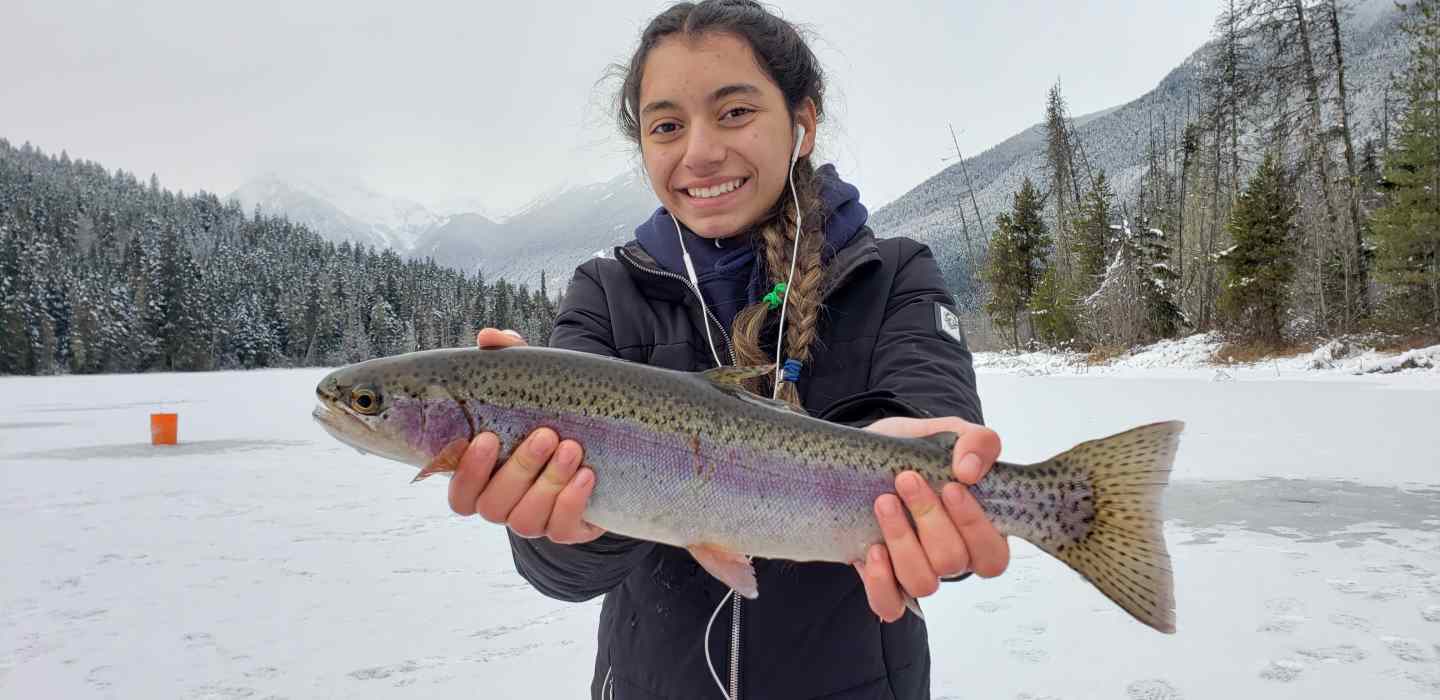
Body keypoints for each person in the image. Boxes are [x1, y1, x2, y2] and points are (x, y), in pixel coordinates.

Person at [441, 1, 1008, 697]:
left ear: (803, 122)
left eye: (734, 112)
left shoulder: (893, 277)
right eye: (667, 126)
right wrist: (565, 523)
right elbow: (563, 575)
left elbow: (932, 427)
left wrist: (927, 486)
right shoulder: (603, 295)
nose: (700, 151)